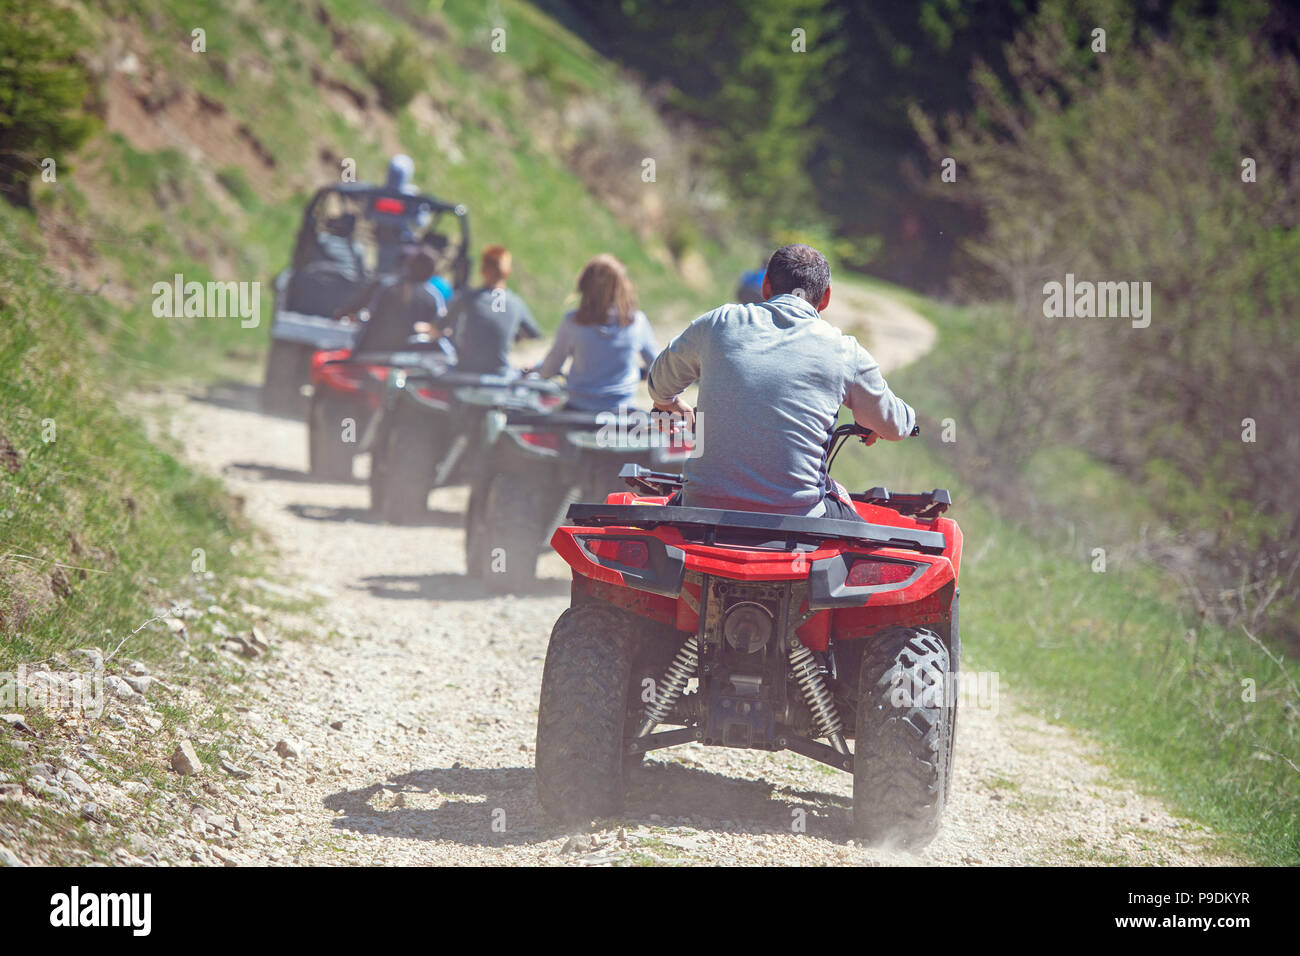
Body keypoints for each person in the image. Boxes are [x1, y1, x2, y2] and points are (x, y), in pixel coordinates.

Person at [646, 243, 916, 519]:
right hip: (797, 515)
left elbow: (658, 383)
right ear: (825, 299)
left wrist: (670, 403)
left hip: (701, 507)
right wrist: (886, 421)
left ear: (765, 286)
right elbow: (896, 426)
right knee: (861, 534)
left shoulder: (718, 323)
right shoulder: (844, 351)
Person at [536, 254, 658, 413]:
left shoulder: (572, 322)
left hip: (579, 408)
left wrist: (539, 371)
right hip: (622, 410)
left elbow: (550, 368)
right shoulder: (636, 322)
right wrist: (639, 373)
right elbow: (657, 366)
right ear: (622, 286)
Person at [440, 245, 540, 375]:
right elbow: (533, 333)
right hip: (499, 372)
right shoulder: (516, 303)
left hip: (466, 369)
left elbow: (441, 326)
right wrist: (512, 337)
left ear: (483, 270)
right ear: (507, 272)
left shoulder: (468, 298)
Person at [350, 248, 447, 353]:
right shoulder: (433, 297)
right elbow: (440, 328)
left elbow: (363, 312)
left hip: (372, 350)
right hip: (406, 356)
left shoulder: (387, 286)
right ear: (431, 272)